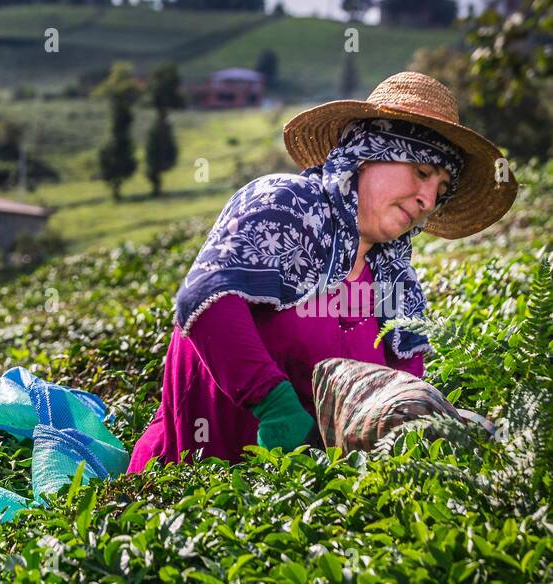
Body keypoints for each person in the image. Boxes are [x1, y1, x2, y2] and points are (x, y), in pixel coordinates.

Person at [127, 72, 518, 473]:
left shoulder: (395, 283)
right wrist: (274, 405)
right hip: (185, 483)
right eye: (421, 171)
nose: (427, 198)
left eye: (441, 187)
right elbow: (205, 297)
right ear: (370, 152)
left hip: (301, 509)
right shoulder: (287, 206)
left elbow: (399, 399)